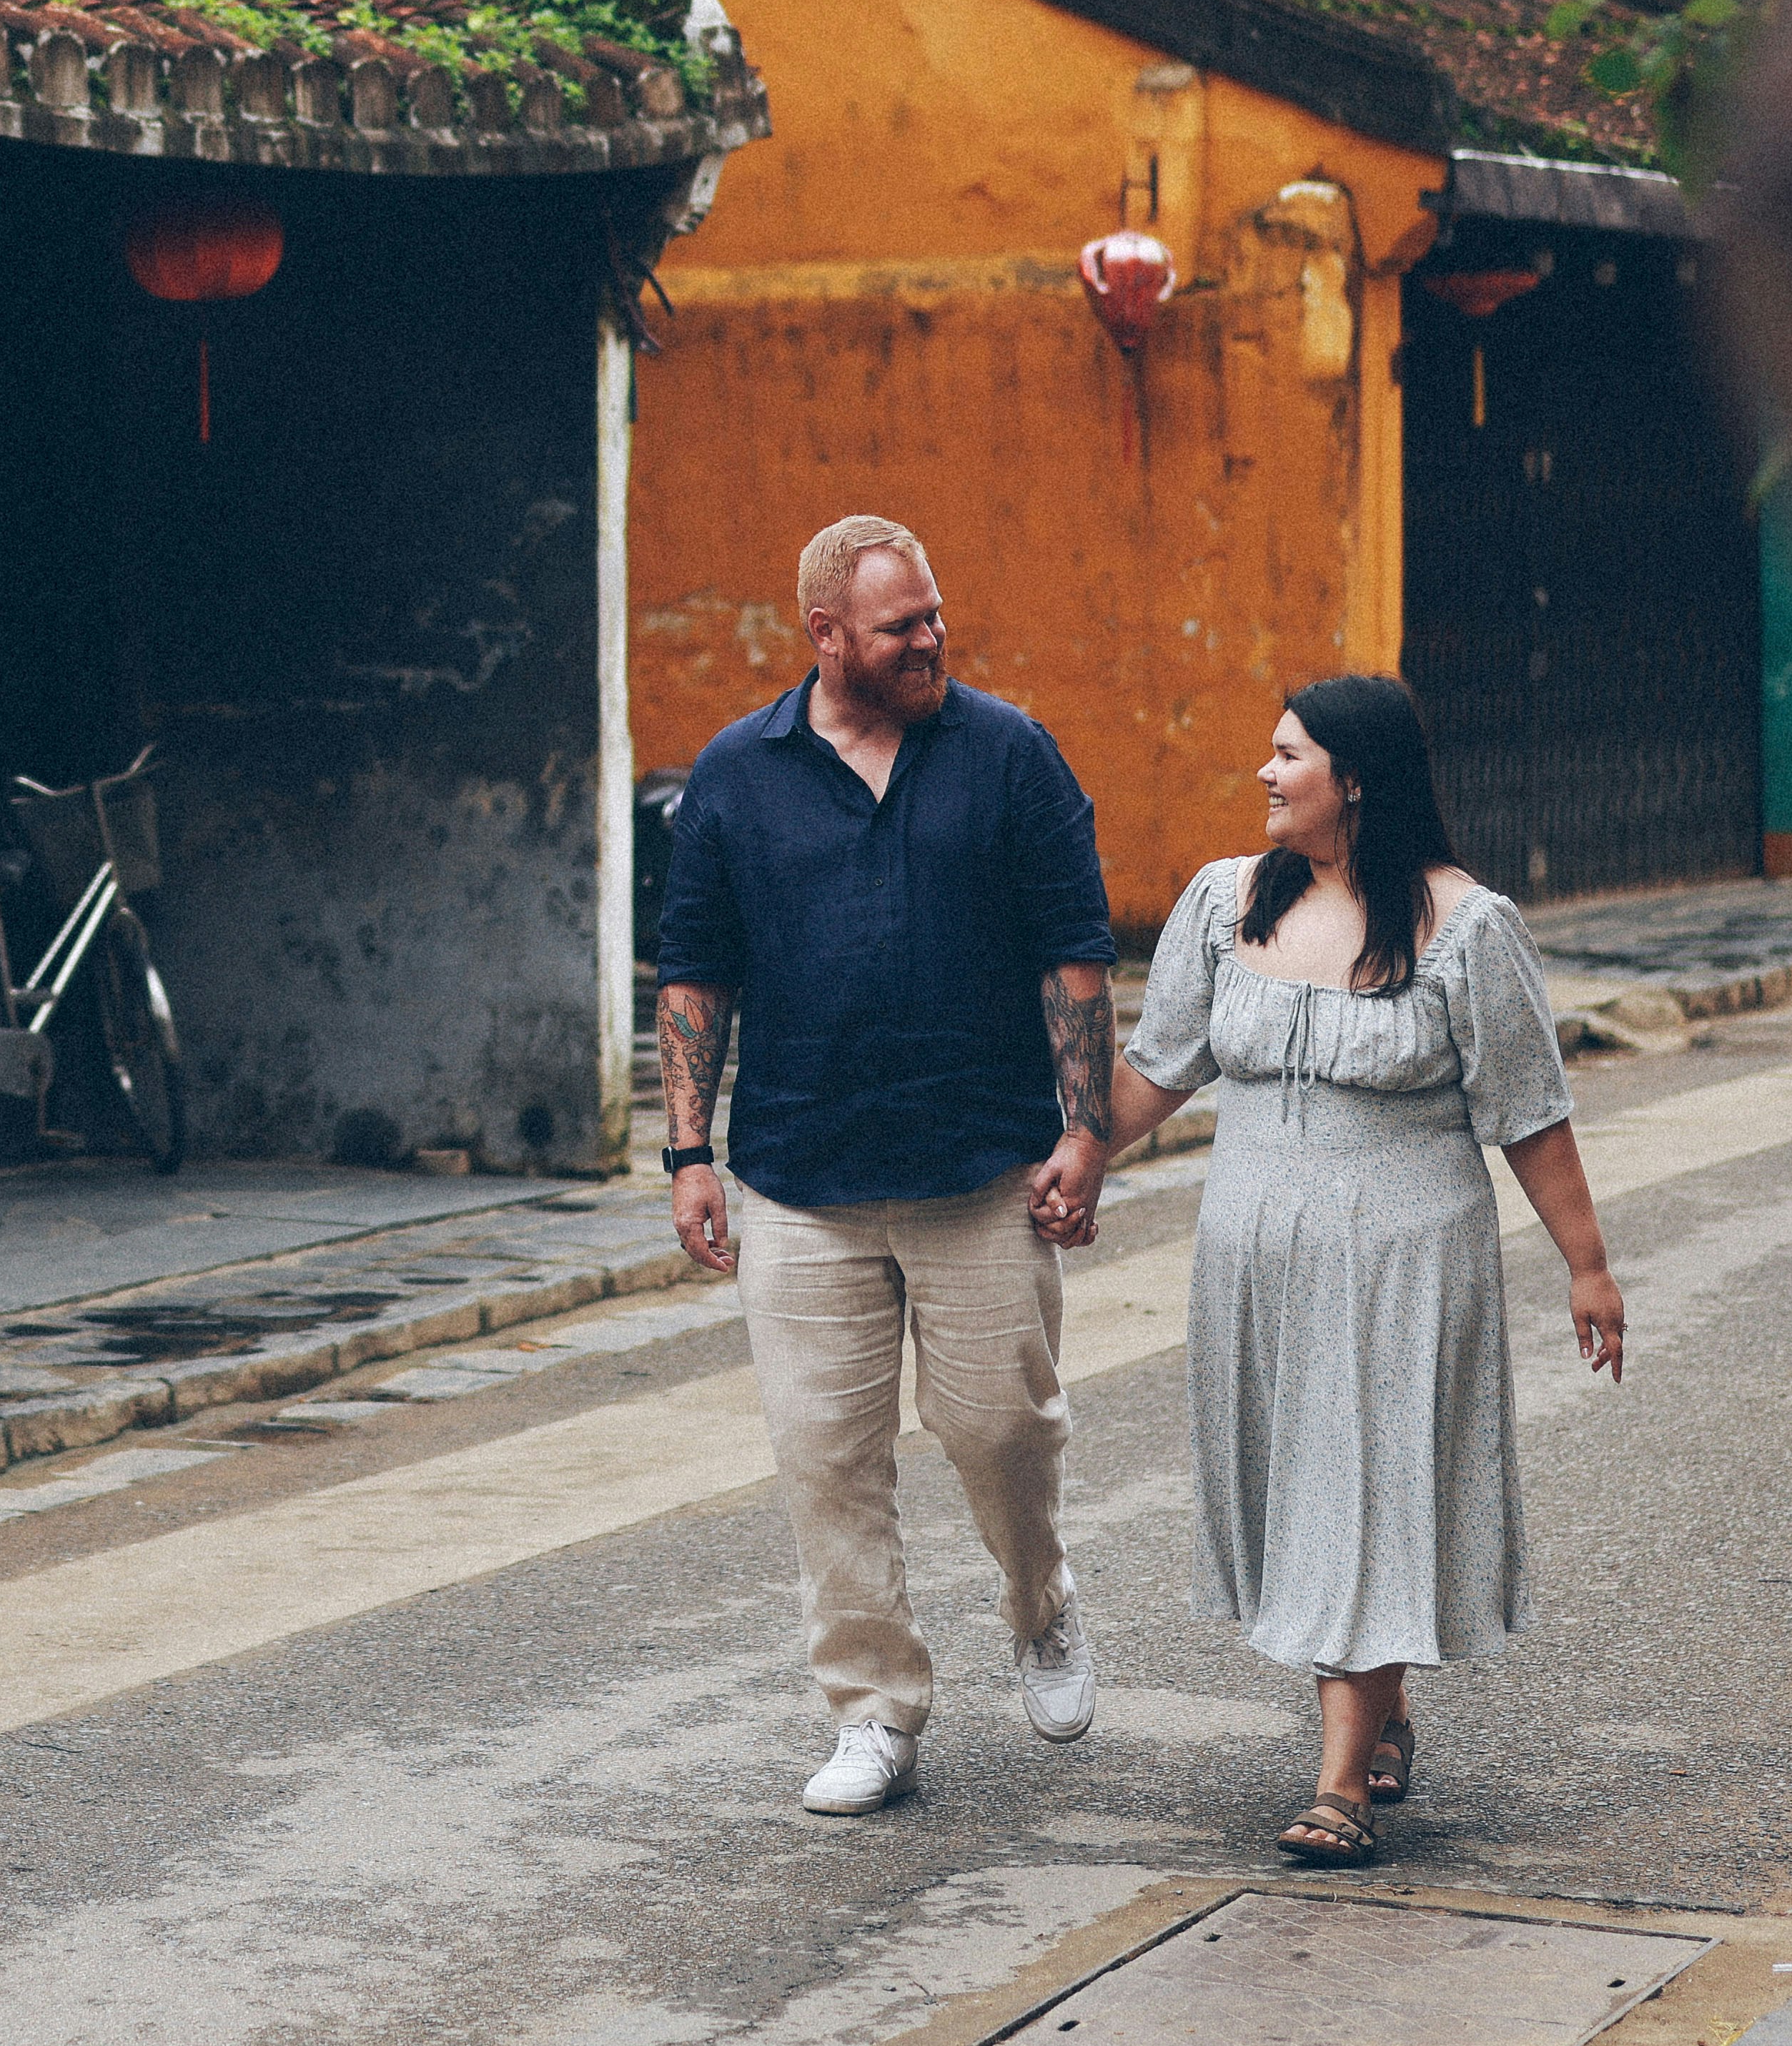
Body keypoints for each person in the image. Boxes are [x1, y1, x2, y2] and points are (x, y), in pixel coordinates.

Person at [1065, 674, 1621, 1870]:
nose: (1263, 773)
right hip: (1253, 1263)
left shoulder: (1467, 927)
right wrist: (1072, 1156)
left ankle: (1337, 1785)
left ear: (1355, 777)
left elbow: (1530, 1113)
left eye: (1287, 755)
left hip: (1402, 1265)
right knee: (1303, 1491)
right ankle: (1383, 1707)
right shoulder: (1223, 903)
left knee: (1365, 1490)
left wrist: (1587, 1265)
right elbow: (1154, 1072)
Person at [653, 514, 1120, 1822]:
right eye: (900, 622)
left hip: (981, 1170)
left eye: (933, 612)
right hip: (799, 1181)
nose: (931, 637)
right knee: (824, 1456)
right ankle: (871, 1707)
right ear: (824, 634)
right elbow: (695, 973)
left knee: (1000, 1430)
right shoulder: (738, 775)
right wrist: (687, 1150)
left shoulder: (1010, 753)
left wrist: (1082, 1131)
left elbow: (1072, 953)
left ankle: (1040, 1601)